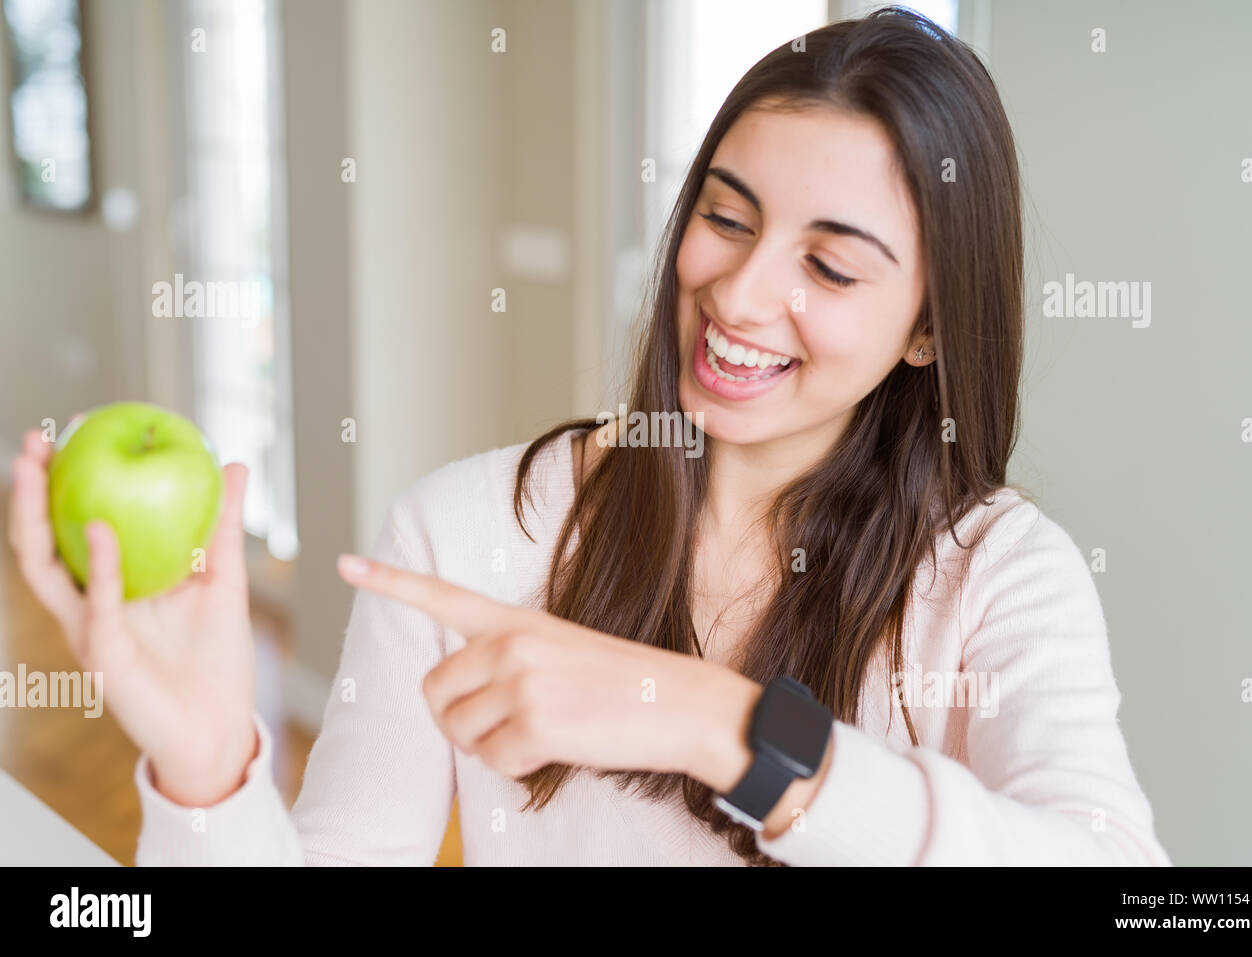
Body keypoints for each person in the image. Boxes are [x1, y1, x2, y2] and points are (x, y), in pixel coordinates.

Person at [7, 8, 1170, 866]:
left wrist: (719, 723)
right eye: (725, 217)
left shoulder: (999, 575)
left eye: (826, 263)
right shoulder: (462, 535)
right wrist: (208, 766)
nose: (741, 293)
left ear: (927, 328)